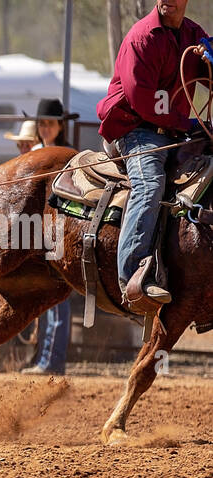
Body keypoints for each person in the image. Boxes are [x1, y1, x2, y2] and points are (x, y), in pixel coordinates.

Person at [98, 0, 211, 305]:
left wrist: (211, 58)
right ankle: (133, 274)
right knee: (149, 185)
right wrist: (184, 123)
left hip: (173, 130)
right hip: (135, 130)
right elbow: (141, 100)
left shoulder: (193, 35)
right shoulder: (141, 37)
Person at [21, 98, 75, 375]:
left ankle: (52, 361)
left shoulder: (64, 155)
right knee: (45, 298)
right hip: (37, 231)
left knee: (57, 299)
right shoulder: (46, 153)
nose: (44, 128)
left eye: (49, 123)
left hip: (55, 230)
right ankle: (44, 358)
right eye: (41, 123)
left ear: (59, 126)